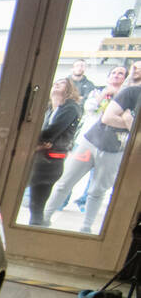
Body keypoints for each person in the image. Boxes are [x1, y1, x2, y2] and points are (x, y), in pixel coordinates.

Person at [46, 65, 127, 218]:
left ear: (124, 78)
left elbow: (125, 119)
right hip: (87, 139)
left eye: (121, 73)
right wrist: (104, 95)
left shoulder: (126, 97)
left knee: (96, 185)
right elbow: (90, 108)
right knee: (68, 177)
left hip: (111, 146)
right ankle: (55, 207)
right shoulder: (97, 91)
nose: (116, 75)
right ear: (108, 76)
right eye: (114, 72)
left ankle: (85, 210)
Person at [79, 75, 140, 233]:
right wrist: (130, 123)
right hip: (96, 140)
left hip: (121, 150)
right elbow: (105, 117)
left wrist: (129, 121)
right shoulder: (128, 93)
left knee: (104, 189)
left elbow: (133, 125)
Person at [26, 78, 82, 227]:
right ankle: (37, 227)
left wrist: (29, 141)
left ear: (70, 89)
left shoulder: (70, 108)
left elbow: (51, 132)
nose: (56, 84)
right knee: (35, 204)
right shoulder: (50, 108)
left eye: (62, 83)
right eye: (55, 82)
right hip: (40, 157)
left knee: (36, 204)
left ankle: (36, 230)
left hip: (50, 160)